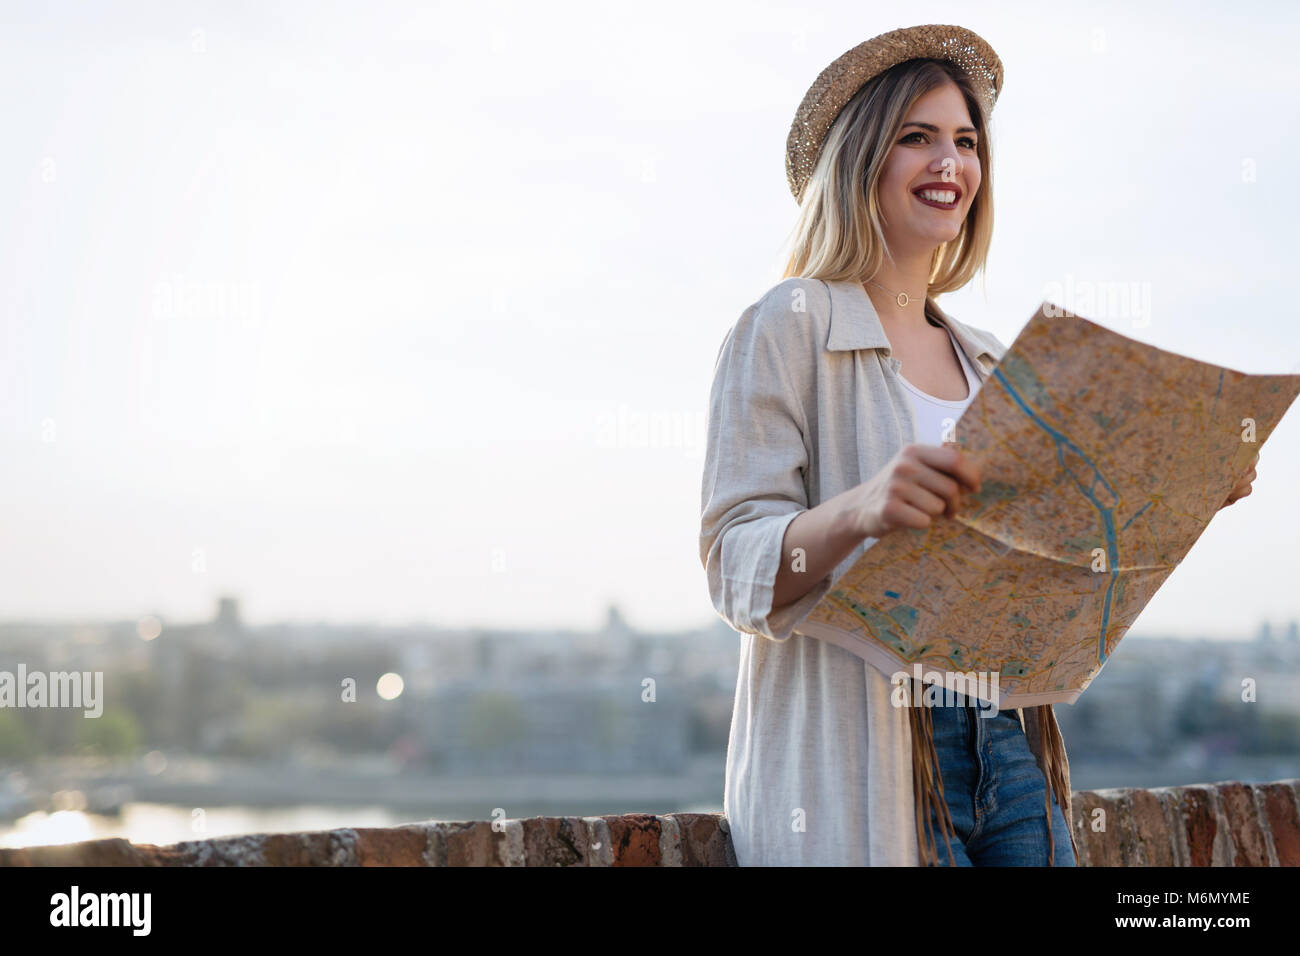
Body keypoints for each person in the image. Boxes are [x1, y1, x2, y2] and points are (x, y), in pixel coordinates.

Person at [699, 24, 1258, 867]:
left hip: (1010, 737)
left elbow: (1055, 561)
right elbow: (732, 565)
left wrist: (1171, 492)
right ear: (859, 162)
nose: (950, 164)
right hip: (868, 742)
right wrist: (860, 510)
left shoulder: (994, 359)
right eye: (916, 138)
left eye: (966, 142)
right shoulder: (788, 324)